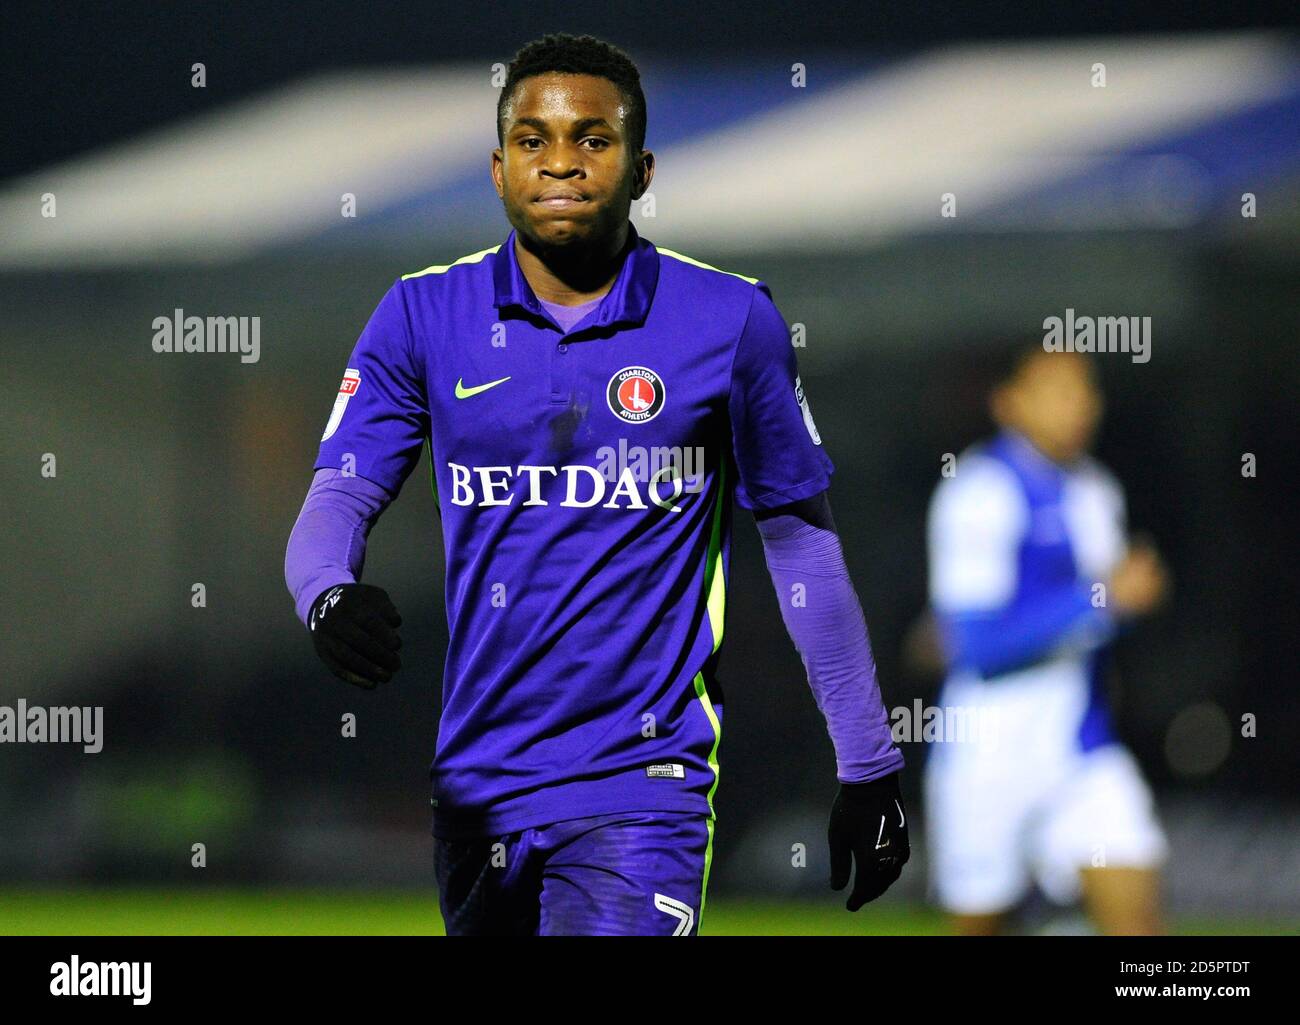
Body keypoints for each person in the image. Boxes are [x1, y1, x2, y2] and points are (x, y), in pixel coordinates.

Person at [286, 32, 906, 935]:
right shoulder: (422, 314)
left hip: (643, 785)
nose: (562, 163)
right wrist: (325, 595)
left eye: (593, 139)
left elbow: (800, 540)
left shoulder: (730, 320)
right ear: (497, 170)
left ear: (643, 168)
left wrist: (868, 759)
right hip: (477, 786)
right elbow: (338, 492)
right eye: (533, 141)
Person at [924, 343, 1170, 935]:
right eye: (1059, 391)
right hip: (989, 752)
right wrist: (1104, 597)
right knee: (982, 922)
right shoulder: (977, 494)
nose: (1079, 406)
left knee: (1137, 920)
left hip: (1081, 748)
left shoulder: (1096, 491)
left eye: (1086, 391)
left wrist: (1120, 603)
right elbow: (975, 644)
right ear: (1010, 403)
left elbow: (1095, 621)